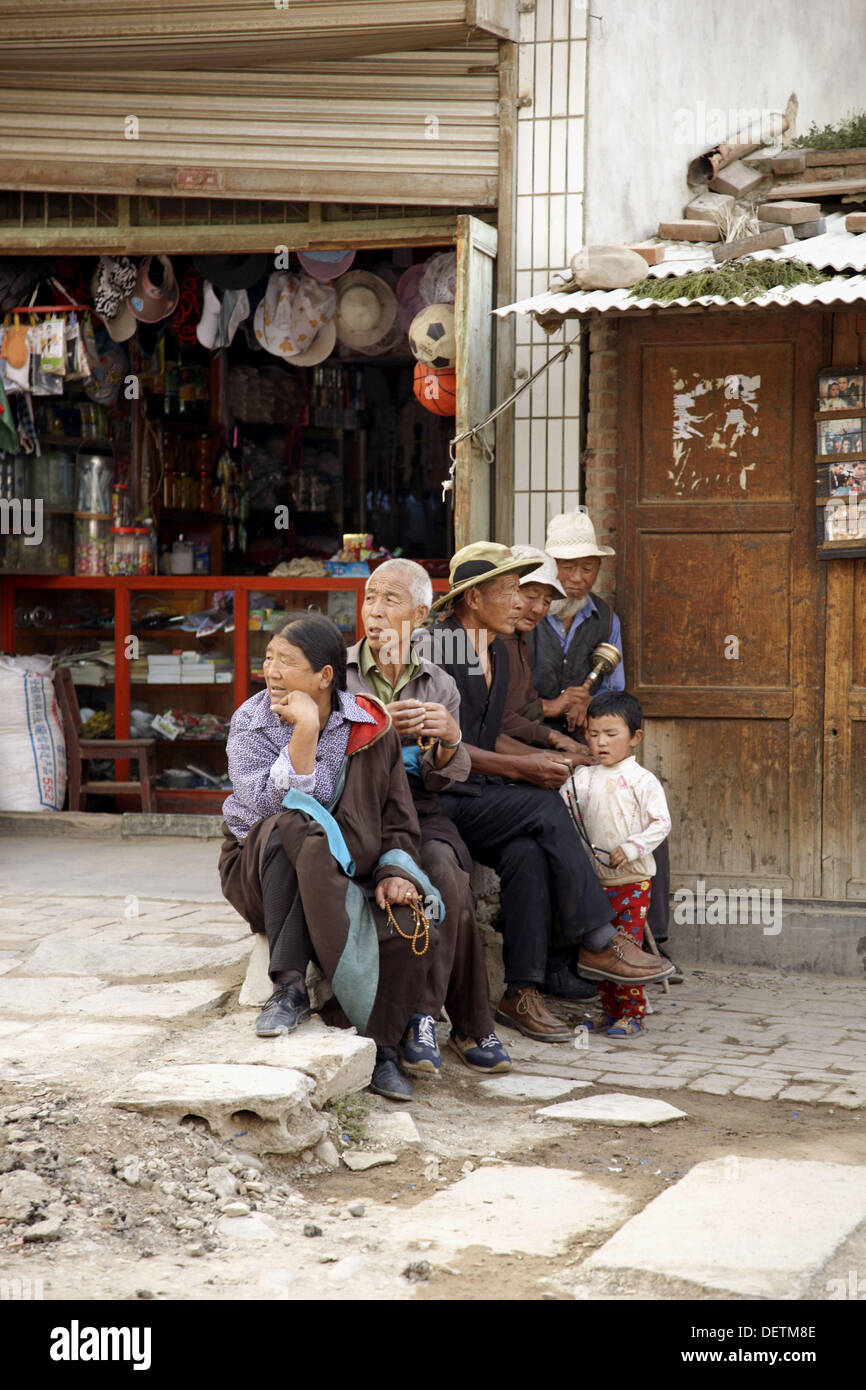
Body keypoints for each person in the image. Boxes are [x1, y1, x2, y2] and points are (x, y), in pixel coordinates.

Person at [425, 541, 673, 1044]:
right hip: (439, 797)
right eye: (509, 590)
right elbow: (450, 746)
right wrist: (523, 768)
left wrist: (553, 753)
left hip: (479, 793)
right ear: (473, 599)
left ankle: (522, 991)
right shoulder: (440, 646)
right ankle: (599, 938)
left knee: (527, 853)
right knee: (541, 805)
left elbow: (494, 728)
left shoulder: (494, 646)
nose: (520, 602)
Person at [218, 613, 445, 1104]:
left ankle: (382, 1047)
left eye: (287, 662)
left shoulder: (370, 726)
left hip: (350, 871)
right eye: (268, 658)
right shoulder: (252, 720)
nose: (272, 672)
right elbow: (264, 808)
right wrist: (305, 730)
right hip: (258, 866)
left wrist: (392, 870)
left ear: (325, 675)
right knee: (292, 827)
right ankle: (290, 984)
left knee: (406, 920)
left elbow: (398, 819)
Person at [345, 558, 512, 1077]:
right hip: (354, 807)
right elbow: (318, 756)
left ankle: (421, 1018)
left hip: (419, 807)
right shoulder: (337, 671)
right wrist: (375, 730)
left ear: (419, 615)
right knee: (435, 886)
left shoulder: (438, 683)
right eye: (370, 597)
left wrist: (448, 739)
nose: (374, 611)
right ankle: (469, 1025)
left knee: (448, 876)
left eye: (389, 600)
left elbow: (446, 775)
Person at [529, 507, 678, 980]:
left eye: (587, 567)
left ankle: (648, 942)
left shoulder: (605, 617)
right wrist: (551, 708)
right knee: (564, 817)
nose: (577, 578)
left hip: (594, 742)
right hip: (535, 741)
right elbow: (507, 703)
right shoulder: (528, 617)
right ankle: (570, 951)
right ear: (550, 567)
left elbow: (617, 692)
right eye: (567, 567)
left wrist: (591, 710)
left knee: (641, 806)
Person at [499, 544, 599, 1001]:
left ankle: (538, 977)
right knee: (552, 810)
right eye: (526, 595)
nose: (535, 607)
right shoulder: (468, 643)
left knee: (531, 854)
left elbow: (514, 716)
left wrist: (560, 741)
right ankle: (599, 938)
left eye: (544, 598)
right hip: (472, 781)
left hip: (506, 765)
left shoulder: (514, 639)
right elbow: (482, 730)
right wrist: (531, 762)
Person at [565, 690, 672, 1037]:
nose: (601, 743)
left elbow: (661, 823)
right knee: (601, 951)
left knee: (626, 950)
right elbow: (563, 810)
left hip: (632, 881)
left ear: (635, 737)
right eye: (594, 735)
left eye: (611, 735)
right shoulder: (582, 778)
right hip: (595, 883)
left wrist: (633, 846)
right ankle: (608, 1012)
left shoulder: (643, 781)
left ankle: (632, 1013)